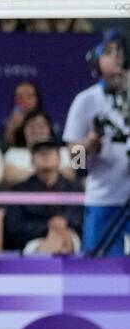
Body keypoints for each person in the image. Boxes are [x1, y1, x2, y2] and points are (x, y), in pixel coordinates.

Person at [63, 29, 130, 255]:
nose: (117, 58)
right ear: (98, 59)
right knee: (100, 270)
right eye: (109, 52)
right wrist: (89, 144)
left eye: (121, 52)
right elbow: (77, 162)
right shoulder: (86, 100)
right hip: (104, 200)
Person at [2, 139, 83, 254]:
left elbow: (80, 216)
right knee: (54, 244)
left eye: (50, 151)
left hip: (69, 236)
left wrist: (64, 221)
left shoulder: (73, 188)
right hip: (34, 241)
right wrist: (47, 226)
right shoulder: (20, 191)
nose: (45, 155)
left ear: (59, 158)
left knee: (64, 238)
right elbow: (14, 227)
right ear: (32, 160)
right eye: (39, 152)